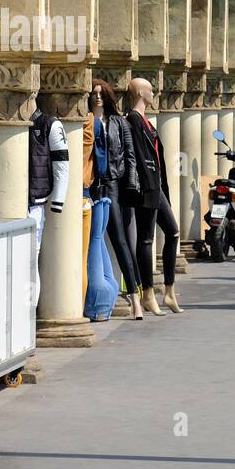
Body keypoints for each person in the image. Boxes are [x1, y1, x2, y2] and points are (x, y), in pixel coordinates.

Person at [124, 77, 182, 314]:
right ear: (139, 92)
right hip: (146, 187)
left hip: (156, 186)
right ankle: (147, 292)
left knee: (173, 231)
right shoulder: (133, 120)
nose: (154, 93)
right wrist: (149, 187)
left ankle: (168, 290)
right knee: (146, 239)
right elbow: (137, 156)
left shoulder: (146, 121)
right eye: (150, 90)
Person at [88, 80, 144, 320]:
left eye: (102, 94)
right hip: (89, 186)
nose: (98, 97)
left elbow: (130, 157)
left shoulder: (119, 123)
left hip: (111, 185)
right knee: (90, 241)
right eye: (94, 93)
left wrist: (129, 185)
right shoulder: (85, 121)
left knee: (119, 240)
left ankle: (135, 298)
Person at [81, 89, 122, 321]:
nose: (97, 97)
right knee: (98, 242)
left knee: (92, 246)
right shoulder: (98, 124)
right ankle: (103, 305)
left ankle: (94, 307)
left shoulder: (91, 123)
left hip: (85, 191)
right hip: (98, 191)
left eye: (101, 93)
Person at [27, 104, 69, 308]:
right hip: (26, 199)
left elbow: (62, 163)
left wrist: (58, 200)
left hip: (35, 202)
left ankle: (29, 312)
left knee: (31, 259)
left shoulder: (49, 124)